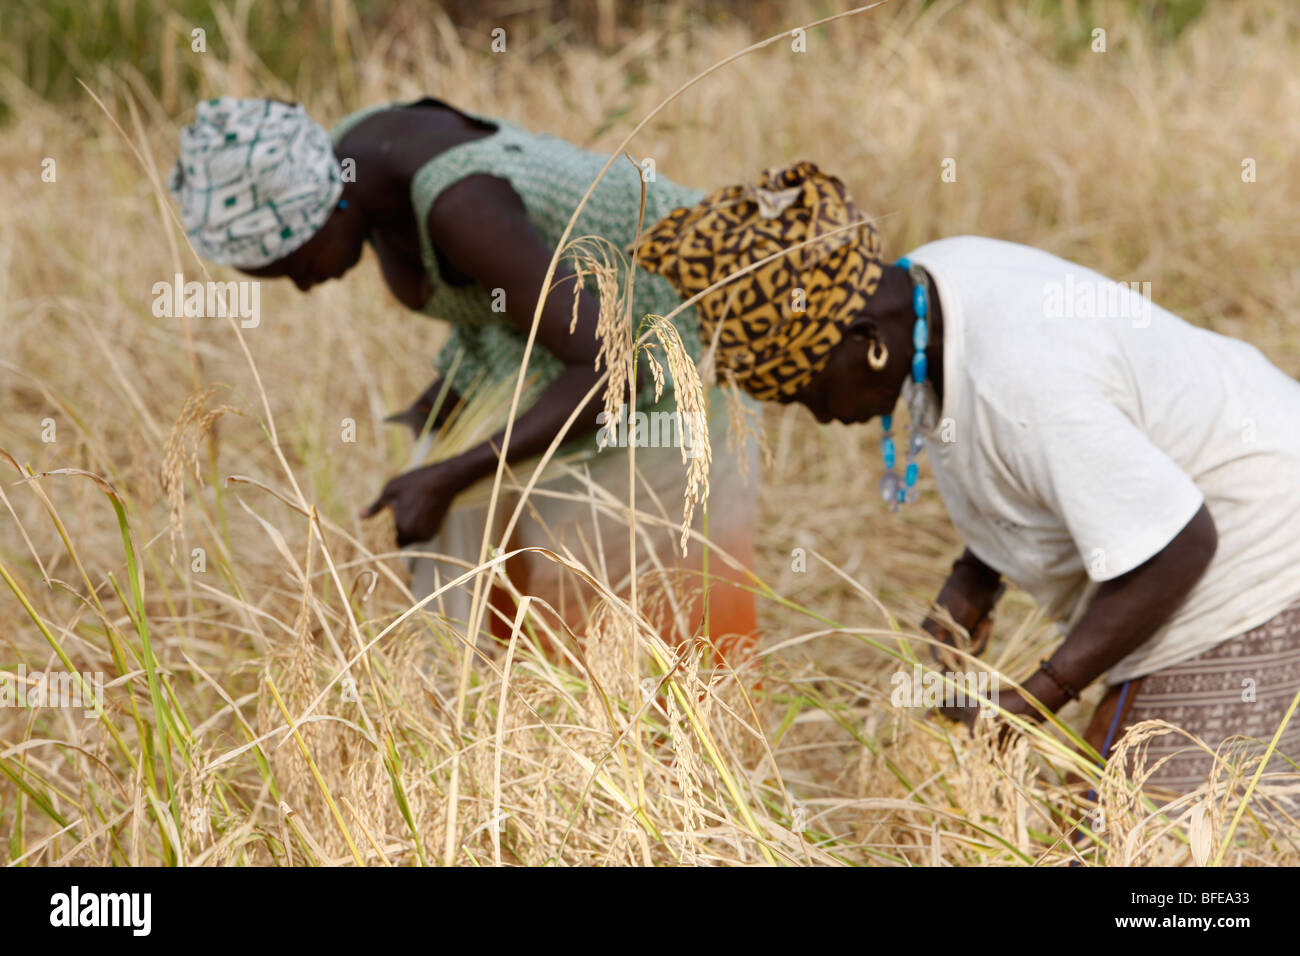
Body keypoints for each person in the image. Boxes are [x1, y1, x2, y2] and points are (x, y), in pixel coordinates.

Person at [636, 160, 1300, 798]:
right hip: (1236, 499)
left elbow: (1181, 545)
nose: (820, 416)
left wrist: (1032, 700)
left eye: (807, 392)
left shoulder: (1021, 380)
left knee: (1139, 846)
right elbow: (1046, 466)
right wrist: (975, 577)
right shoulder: (934, 284)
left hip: (1260, 548)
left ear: (866, 339)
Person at [167, 95, 759, 659]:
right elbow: (505, 300)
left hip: (674, 385)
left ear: (321, 210)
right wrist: (447, 400)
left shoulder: (460, 206)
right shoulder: (355, 160)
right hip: (589, 377)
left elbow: (607, 372)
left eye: (295, 264)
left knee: (659, 650)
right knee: (538, 638)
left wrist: (449, 477)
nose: (302, 284)